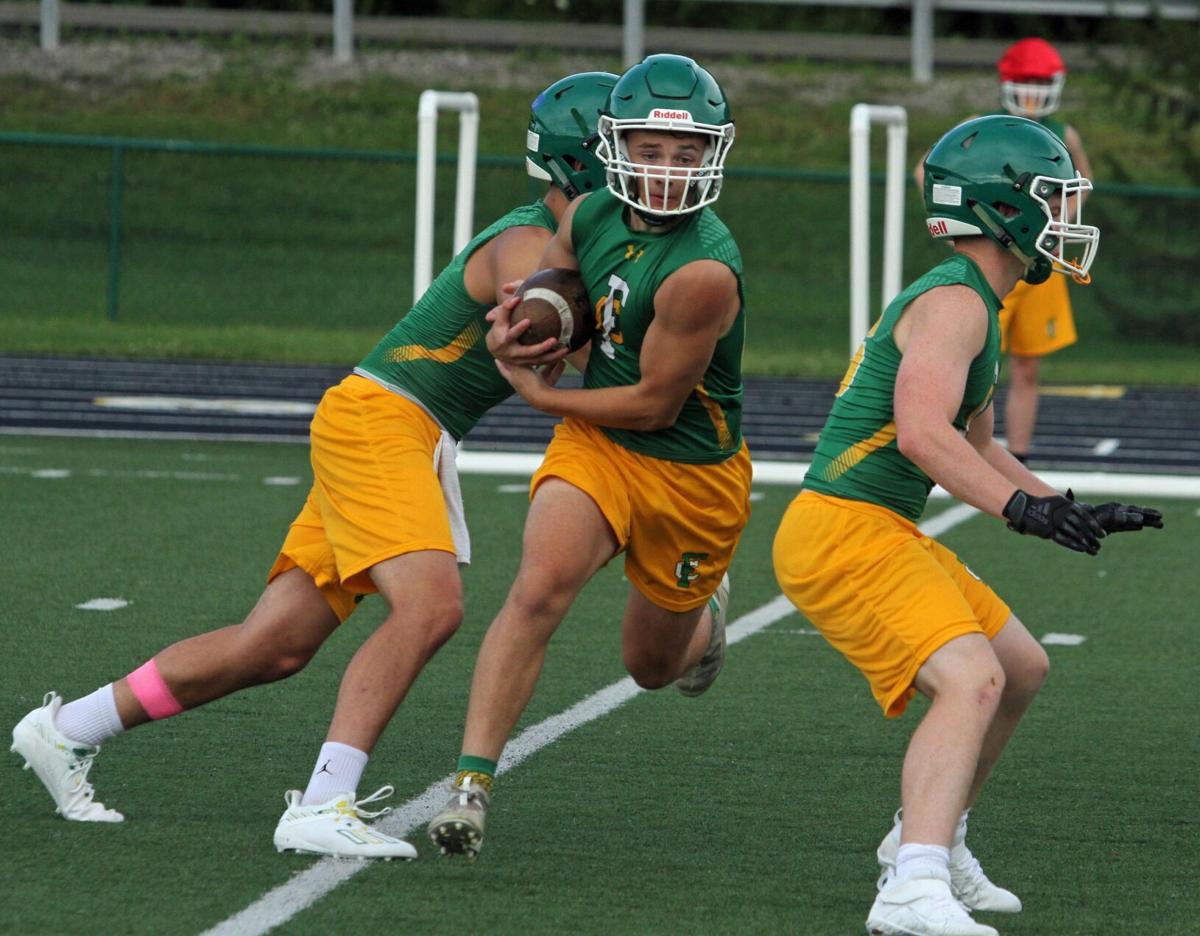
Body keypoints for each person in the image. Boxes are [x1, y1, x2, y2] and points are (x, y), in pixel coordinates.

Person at [9, 71, 618, 859]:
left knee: (275, 644)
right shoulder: (531, 242)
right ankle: (324, 801)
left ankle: (65, 730)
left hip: (401, 426)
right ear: (587, 161)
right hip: (384, 419)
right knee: (432, 608)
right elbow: (545, 304)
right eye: (632, 147)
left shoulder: (580, 247)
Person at [773, 115, 1162, 936]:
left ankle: (931, 839)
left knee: (1018, 667)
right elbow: (921, 434)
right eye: (1052, 197)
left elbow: (984, 445)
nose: (1065, 215)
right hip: (844, 527)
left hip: (875, 524)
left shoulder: (977, 302)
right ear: (1005, 206)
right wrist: (1017, 512)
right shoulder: (956, 302)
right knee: (972, 678)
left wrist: (1058, 503)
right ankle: (911, 888)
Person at [426, 53, 751, 861]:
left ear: (713, 155)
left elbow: (653, 402)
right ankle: (471, 785)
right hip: (599, 447)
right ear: (615, 148)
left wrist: (540, 396)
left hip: (688, 471)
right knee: (538, 588)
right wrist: (528, 316)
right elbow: (562, 276)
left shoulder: (704, 270)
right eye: (650, 149)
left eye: (686, 154)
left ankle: (705, 621)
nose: (668, 171)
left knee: (648, 667)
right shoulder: (591, 212)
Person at [914, 37, 1094, 464]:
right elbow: (931, 169)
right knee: (974, 353)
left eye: (1039, 82)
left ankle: (1018, 455)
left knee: (1026, 365)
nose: (1032, 92)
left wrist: (1054, 216)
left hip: (1038, 255)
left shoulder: (1063, 133)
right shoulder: (981, 127)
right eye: (1024, 82)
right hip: (994, 254)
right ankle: (953, 443)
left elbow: (1082, 182)